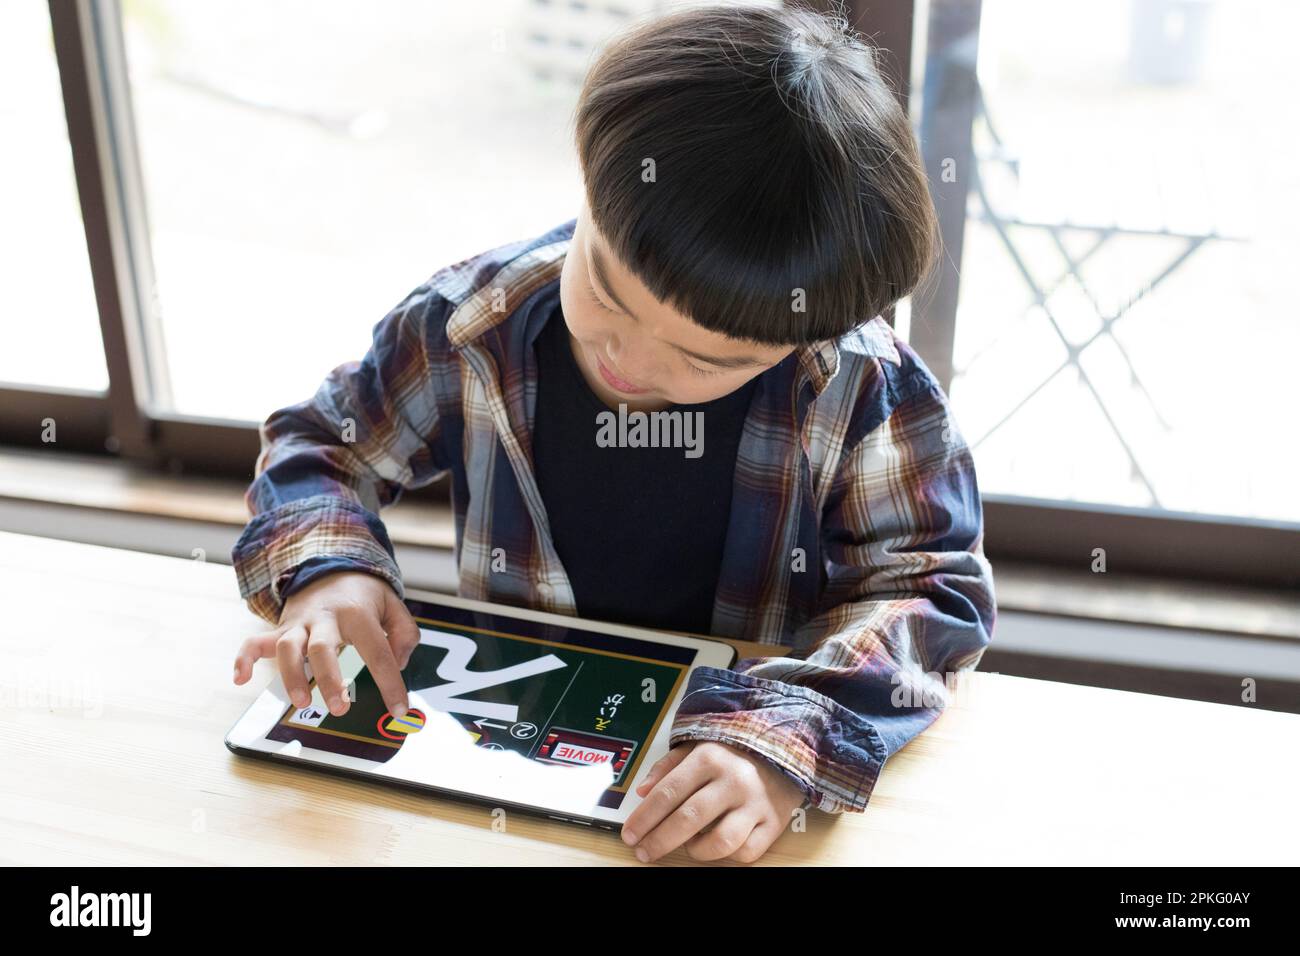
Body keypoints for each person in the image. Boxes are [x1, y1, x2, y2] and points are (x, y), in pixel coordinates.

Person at [231, 3, 996, 864]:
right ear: (589, 190)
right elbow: (325, 442)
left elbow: (929, 590)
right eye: (606, 286)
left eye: (707, 359)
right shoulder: (467, 326)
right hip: (505, 765)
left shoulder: (859, 385)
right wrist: (326, 572)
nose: (627, 358)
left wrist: (785, 739)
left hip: (706, 783)